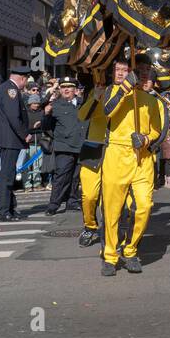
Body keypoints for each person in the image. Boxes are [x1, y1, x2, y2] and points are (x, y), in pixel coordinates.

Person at [98, 55, 167, 276]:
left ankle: (130, 250)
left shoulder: (151, 100)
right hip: (116, 155)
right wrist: (126, 86)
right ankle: (110, 255)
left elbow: (157, 130)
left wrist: (146, 139)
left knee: (144, 206)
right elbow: (108, 110)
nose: (144, 73)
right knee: (112, 209)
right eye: (140, 69)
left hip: (142, 158)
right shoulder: (114, 91)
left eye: (147, 70)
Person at [0, 67, 32, 221]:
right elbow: (14, 116)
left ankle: (9, 207)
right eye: (26, 79)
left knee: (8, 175)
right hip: (10, 139)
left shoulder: (6, 88)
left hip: (7, 138)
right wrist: (24, 134)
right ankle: (3, 211)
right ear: (22, 78)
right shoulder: (11, 90)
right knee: (7, 176)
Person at [75, 74, 111, 248]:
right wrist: (95, 98)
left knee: (112, 198)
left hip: (116, 150)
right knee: (89, 195)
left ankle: (112, 230)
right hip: (93, 149)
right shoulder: (95, 92)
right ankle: (90, 226)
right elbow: (82, 116)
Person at [43, 78, 86, 216]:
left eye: (69, 87)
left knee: (75, 177)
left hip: (81, 145)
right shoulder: (55, 105)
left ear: (75, 89)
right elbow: (46, 127)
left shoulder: (82, 103)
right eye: (63, 87)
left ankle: (72, 201)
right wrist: (47, 114)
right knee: (61, 176)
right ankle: (53, 205)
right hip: (64, 146)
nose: (66, 90)